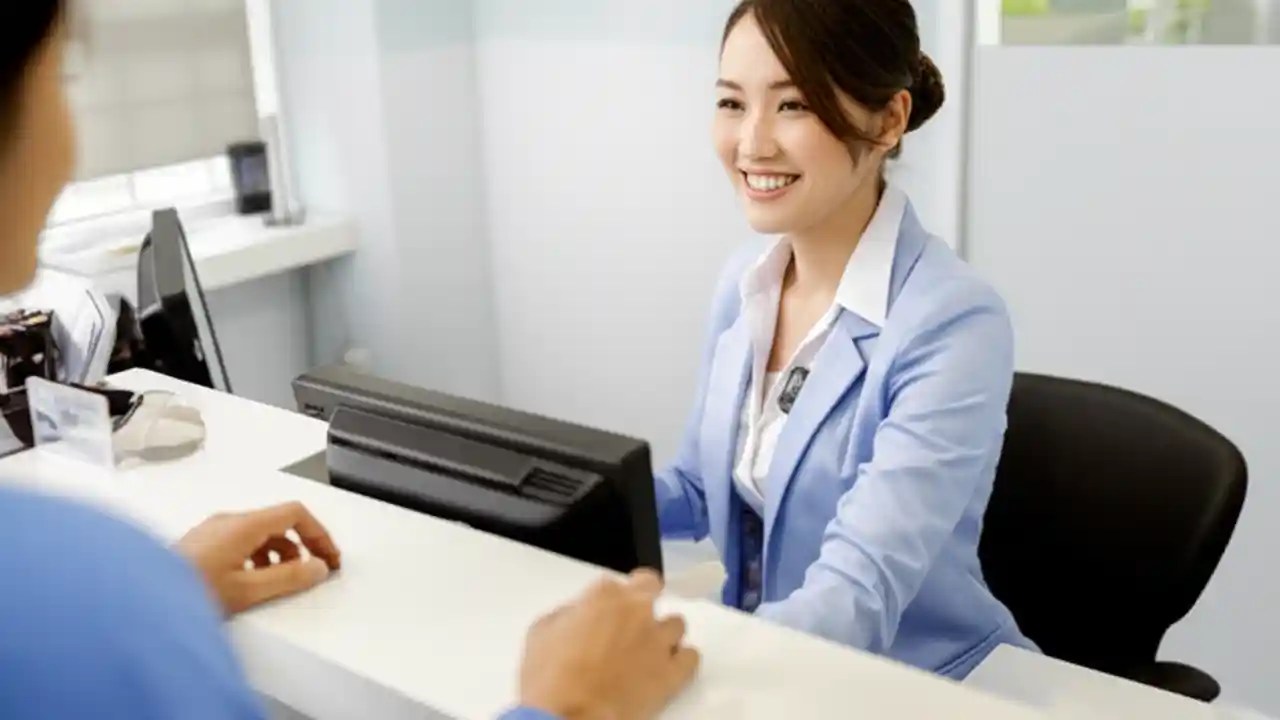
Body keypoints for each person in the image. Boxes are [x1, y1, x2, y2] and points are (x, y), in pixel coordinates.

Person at [0, 3, 698, 719]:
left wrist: (148, 590)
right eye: (60, 75)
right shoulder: (66, 604)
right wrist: (565, 708)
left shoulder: (72, 595)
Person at [654, 0, 1036, 679]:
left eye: (793, 105)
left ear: (888, 120)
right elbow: (698, 488)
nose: (752, 143)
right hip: (777, 665)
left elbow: (856, 591)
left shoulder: (953, 322)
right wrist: (552, 499)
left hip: (912, 683)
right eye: (732, 103)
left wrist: (694, 666)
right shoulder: (746, 280)